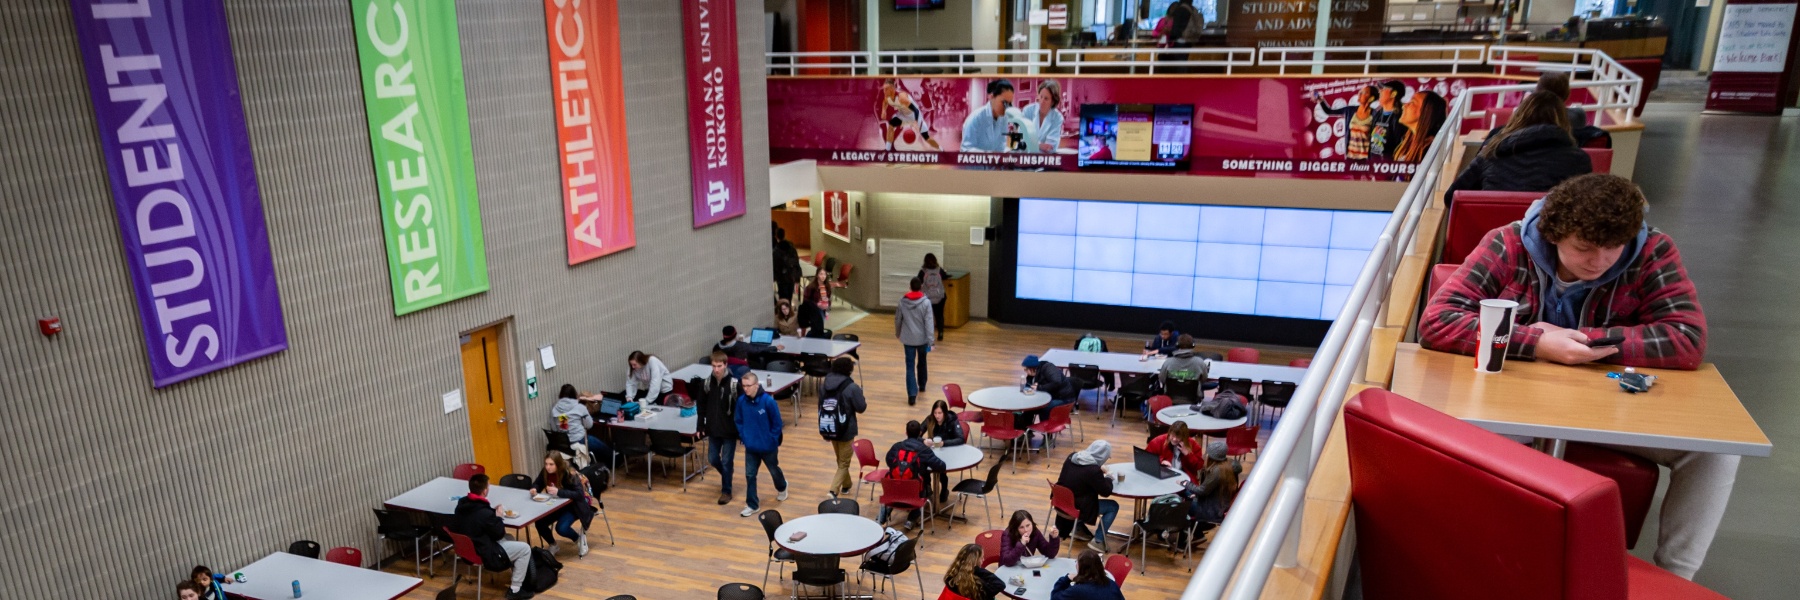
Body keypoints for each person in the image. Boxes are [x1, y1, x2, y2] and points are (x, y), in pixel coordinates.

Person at [1421, 174, 1723, 579]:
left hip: (1607, 409)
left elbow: (1686, 338)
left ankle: (1676, 577)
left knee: (1713, 450)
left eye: (1612, 248)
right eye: (1583, 248)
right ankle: (1466, 564)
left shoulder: (1652, 250)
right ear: (1554, 233)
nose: (1598, 261)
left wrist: (1581, 341)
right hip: (1512, 406)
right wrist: (1537, 342)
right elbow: (1437, 321)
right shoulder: (1508, 244)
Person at [1442, 91, 1592, 205]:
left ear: (1520, 116)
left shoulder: (1491, 151)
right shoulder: (1580, 160)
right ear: (1563, 120)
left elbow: (1451, 197)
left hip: (1491, 239)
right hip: (1550, 241)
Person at [451, 474, 535, 600]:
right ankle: (515, 589)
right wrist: (498, 517)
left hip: (469, 549)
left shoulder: (462, 505)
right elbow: (499, 533)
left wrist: (491, 513)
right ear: (485, 490)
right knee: (525, 549)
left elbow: (477, 520)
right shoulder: (484, 514)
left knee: (510, 537)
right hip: (485, 553)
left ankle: (518, 574)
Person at [733, 372, 789, 517]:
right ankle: (752, 504)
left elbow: (777, 423)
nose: (745, 389)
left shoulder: (768, 402)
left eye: (748, 386)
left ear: (756, 385)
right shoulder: (741, 402)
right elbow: (738, 420)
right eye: (743, 386)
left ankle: (782, 486)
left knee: (773, 470)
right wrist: (743, 435)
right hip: (751, 446)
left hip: (768, 446)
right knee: (750, 475)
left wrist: (772, 439)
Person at [1054, 440, 1120, 553]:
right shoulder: (1093, 471)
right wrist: (1108, 476)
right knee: (1113, 506)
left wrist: (1098, 470)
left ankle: (1078, 529)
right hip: (1076, 508)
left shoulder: (1072, 457)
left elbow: (1080, 475)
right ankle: (1098, 541)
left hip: (1060, 501)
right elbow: (1106, 491)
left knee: (1083, 495)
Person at [880, 420, 947, 529]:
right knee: (925, 489)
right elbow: (941, 466)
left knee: (901, 485)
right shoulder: (924, 450)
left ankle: (886, 511)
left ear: (906, 433)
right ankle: (911, 519)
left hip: (894, 489)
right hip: (914, 493)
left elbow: (889, 461)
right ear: (920, 433)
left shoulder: (897, 447)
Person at [695, 352, 741, 505]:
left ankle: (726, 491)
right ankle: (727, 475)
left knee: (727, 461)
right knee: (713, 459)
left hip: (729, 431)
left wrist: (741, 430)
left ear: (726, 365)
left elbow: (741, 408)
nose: (716, 369)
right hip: (713, 429)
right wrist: (700, 425)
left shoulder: (734, 384)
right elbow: (701, 406)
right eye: (714, 366)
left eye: (719, 366)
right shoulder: (706, 383)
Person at [821, 356, 868, 498]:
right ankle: (833, 491)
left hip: (829, 426)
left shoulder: (824, 384)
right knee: (843, 462)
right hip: (847, 429)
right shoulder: (852, 387)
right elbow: (861, 407)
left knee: (840, 460)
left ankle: (847, 484)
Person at [532, 453, 594, 557]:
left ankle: (578, 539)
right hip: (556, 505)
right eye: (546, 464)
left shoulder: (570, 473)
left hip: (574, 506)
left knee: (561, 528)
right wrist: (534, 488)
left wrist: (558, 492)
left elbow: (579, 494)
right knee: (539, 523)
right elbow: (538, 483)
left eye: (551, 464)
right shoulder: (545, 472)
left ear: (558, 464)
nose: (548, 467)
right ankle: (553, 545)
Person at [960, 79, 1032, 153]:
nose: (1007, 107)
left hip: (995, 163)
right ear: (992, 97)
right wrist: (990, 154)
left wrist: (1009, 152)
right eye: (1004, 102)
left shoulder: (1003, 118)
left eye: (1009, 103)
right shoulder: (975, 119)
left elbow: (1001, 146)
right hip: (977, 164)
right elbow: (966, 150)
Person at [549, 384, 612, 467]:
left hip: (564, 445)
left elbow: (555, 429)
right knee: (604, 449)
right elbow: (589, 425)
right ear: (574, 395)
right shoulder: (580, 407)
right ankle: (613, 463)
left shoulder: (555, 409)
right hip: (580, 440)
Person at [896, 276, 936, 405]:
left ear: (910, 287)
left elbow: (898, 319)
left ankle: (912, 395)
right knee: (922, 362)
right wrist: (931, 341)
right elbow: (929, 323)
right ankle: (922, 384)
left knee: (909, 366)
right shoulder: (926, 303)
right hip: (922, 340)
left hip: (908, 339)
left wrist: (898, 333)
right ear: (921, 287)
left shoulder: (902, 302)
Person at [1315, 85, 1378, 161]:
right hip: (1350, 157)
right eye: (1360, 91)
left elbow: (1378, 139)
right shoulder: (1350, 110)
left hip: (1366, 160)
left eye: (1364, 92)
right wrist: (1320, 100)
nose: (1360, 93)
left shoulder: (1376, 115)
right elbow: (1329, 111)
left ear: (1371, 98)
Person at [921, 399, 965, 503]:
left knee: (941, 471)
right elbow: (916, 434)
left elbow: (960, 438)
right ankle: (928, 488)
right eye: (935, 413)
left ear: (945, 413)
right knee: (923, 467)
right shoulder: (930, 419)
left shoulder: (952, 420)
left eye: (940, 413)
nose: (937, 416)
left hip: (948, 452)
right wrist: (924, 441)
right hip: (933, 451)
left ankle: (944, 490)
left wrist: (944, 443)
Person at [878, 79, 940, 150]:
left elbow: (901, 94)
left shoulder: (898, 88)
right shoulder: (884, 90)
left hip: (892, 108)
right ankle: (888, 147)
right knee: (885, 128)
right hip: (883, 110)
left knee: (899, 126)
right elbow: (881, 102)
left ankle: (890, 145)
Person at [1021, 355, 1077, 430]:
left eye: (1026, 369)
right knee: (1029, 408)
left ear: (1032, 369)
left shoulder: (1048, 368)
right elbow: (1029, 384)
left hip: (1064, 398)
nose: (1025, 372)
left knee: (1045, 408)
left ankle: (1047, 434)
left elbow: (1057, 382)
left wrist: (1040, 387)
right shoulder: (1032, 374)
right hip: (1052, 396)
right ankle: (1026, 432)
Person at [1392, 90, 1447, 163]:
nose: (1404, 105)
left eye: (1412, 102)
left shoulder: (1430, 149)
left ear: (1426, 112)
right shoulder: (1407, 140)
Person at [1050, 550, 1126, 600]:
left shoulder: (1077, 591)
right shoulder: (1112, 584)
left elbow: (1054, 597)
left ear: (1082, 568)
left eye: (1077, 562)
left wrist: (1065, 579)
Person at [1367, 80, 1407, 160]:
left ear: (1393, 94)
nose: (1380, 91)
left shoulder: (1401, 117)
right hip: (1374, 163)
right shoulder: (1378, 114)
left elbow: (1400, 146)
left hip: (1389, 166)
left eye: (1384, 88)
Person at [1022, 80, 1065, 153]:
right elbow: (1022, 139)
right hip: (1024, 158)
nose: (1041, 101)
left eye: (1046, 99)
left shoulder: (1057, 117)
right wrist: (1039, 145)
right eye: (1041, 96)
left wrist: (1031, 144)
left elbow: (1050, 147)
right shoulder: (1028, 111)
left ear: (1053, 101)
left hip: (1044, 160)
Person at [917, 253, 951, 341]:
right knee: (939, 315)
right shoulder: (939, 270)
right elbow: (945, 276)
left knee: (927, 316)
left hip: (926, 297)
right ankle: (940, 333)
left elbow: (918, 281)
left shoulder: (923, 272)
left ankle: (927, 334)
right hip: (940, 296)